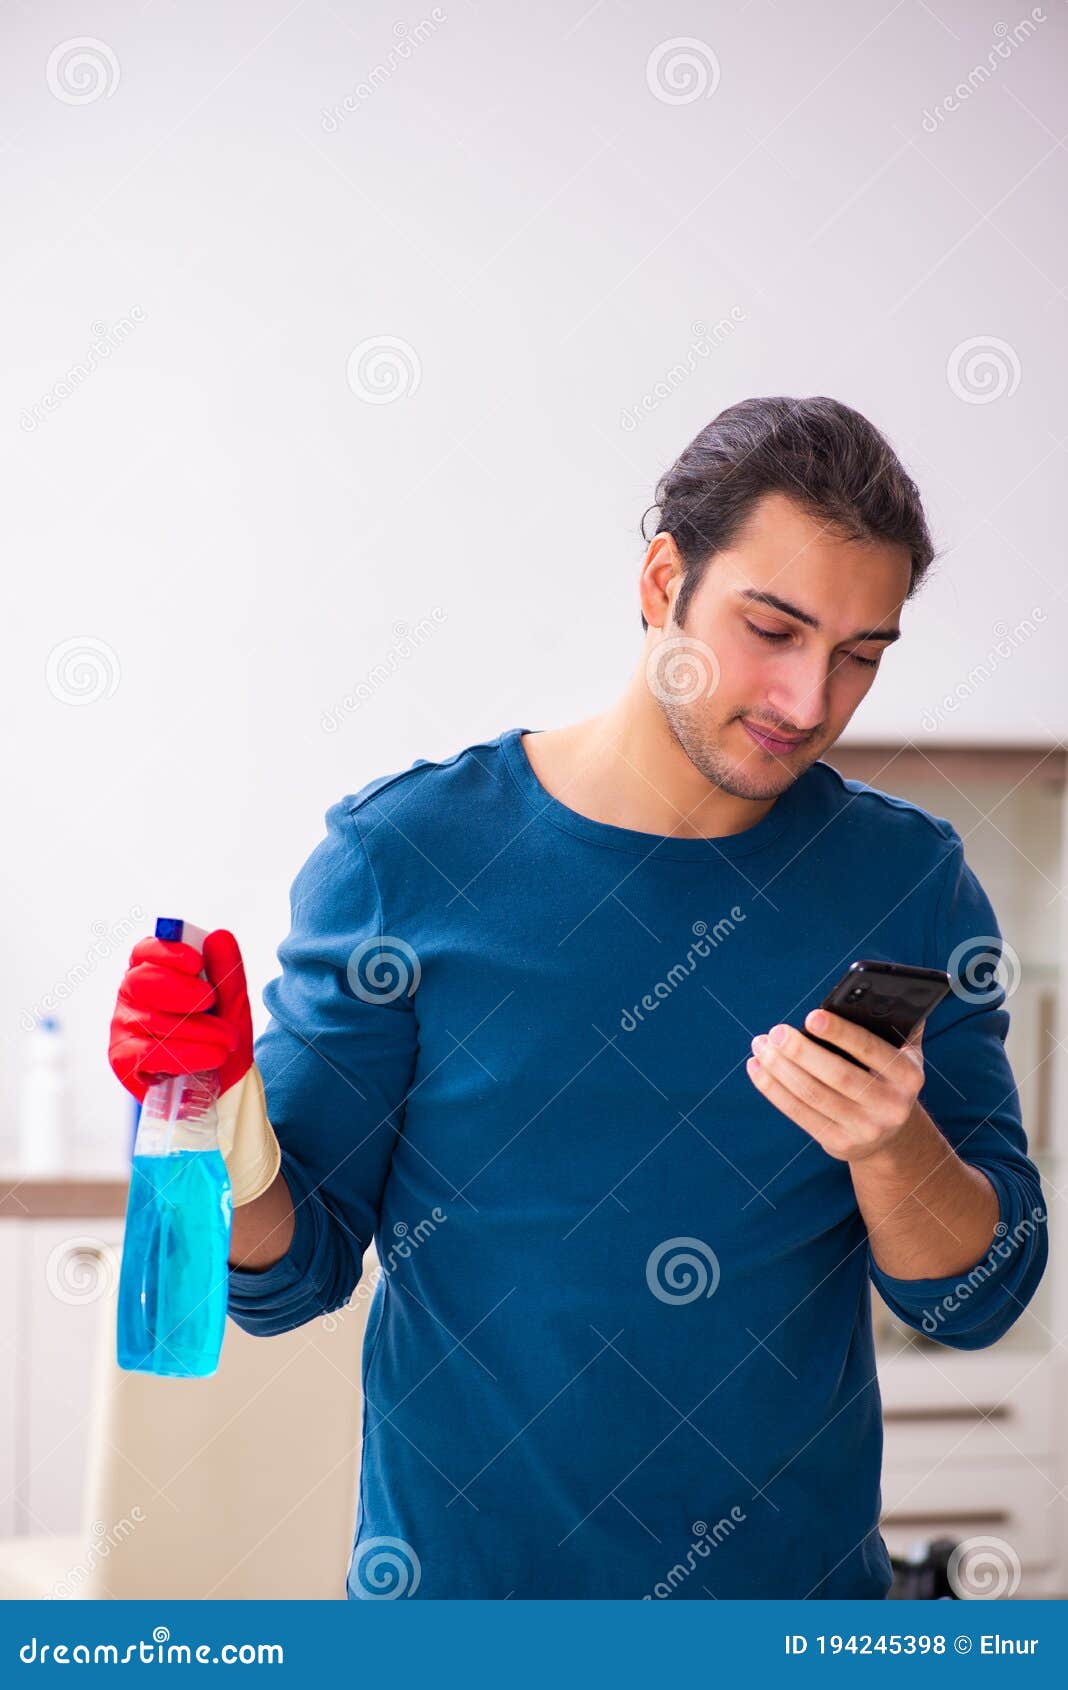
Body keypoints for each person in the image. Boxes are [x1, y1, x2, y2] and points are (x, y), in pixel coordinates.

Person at [109, 395, 1047, 1600]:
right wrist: (218, 1104)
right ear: (664, 581)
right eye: (774, 629)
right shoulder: (409, 860)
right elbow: (290, 1279)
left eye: (861, 654)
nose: (811, 701)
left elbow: (980, 1293)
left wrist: (892, 1143)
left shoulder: (906, 883)